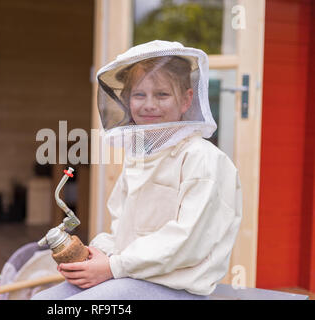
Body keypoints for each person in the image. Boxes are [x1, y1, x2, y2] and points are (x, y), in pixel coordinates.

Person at [31, 40, 242, 300]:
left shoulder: (204, 159)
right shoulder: (139, 158)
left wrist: (112, 267)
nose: (149, 104)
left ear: (187, 99)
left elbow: (187, 242)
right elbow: (122, 230)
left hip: (176, 288)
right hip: (130, 275)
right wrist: (98, 254)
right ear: (126, 100)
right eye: (139, 95)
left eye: (162, 94)